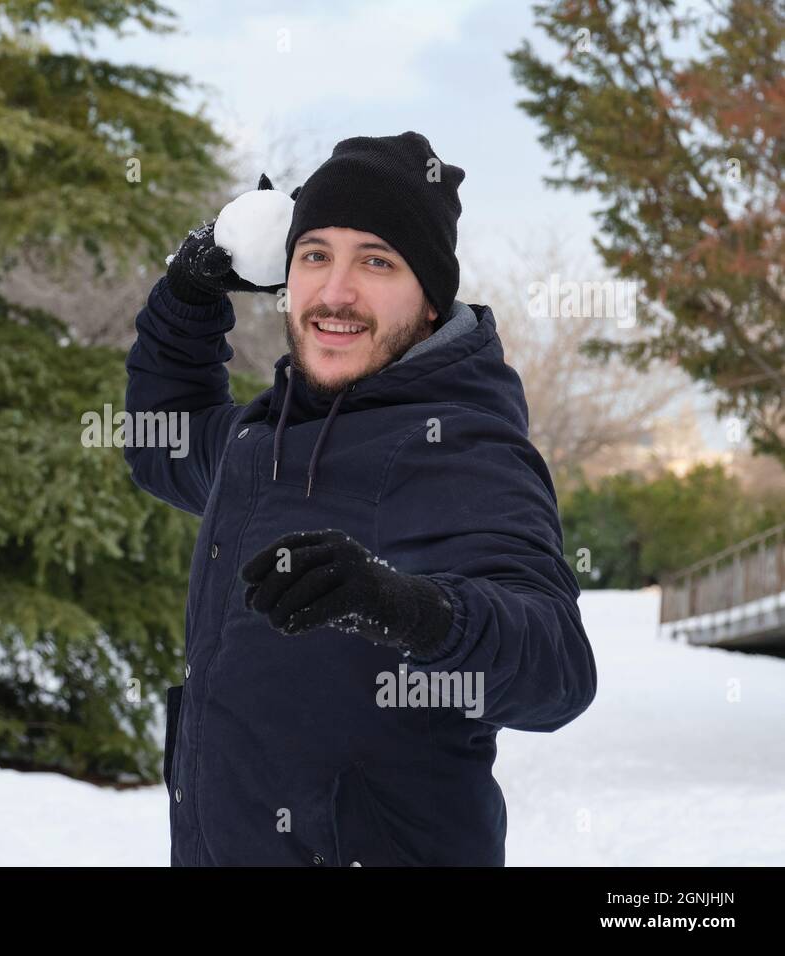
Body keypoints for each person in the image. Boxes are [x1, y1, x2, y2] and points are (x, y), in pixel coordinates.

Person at [124, 131, 598, 866]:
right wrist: (186, 298)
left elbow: (557, 671)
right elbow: (163, 444)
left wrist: (405, 607)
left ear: (432, 302)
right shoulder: (266, 434)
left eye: (376, 261)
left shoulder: (461, 447)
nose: (336, 292)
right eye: (315, 255)